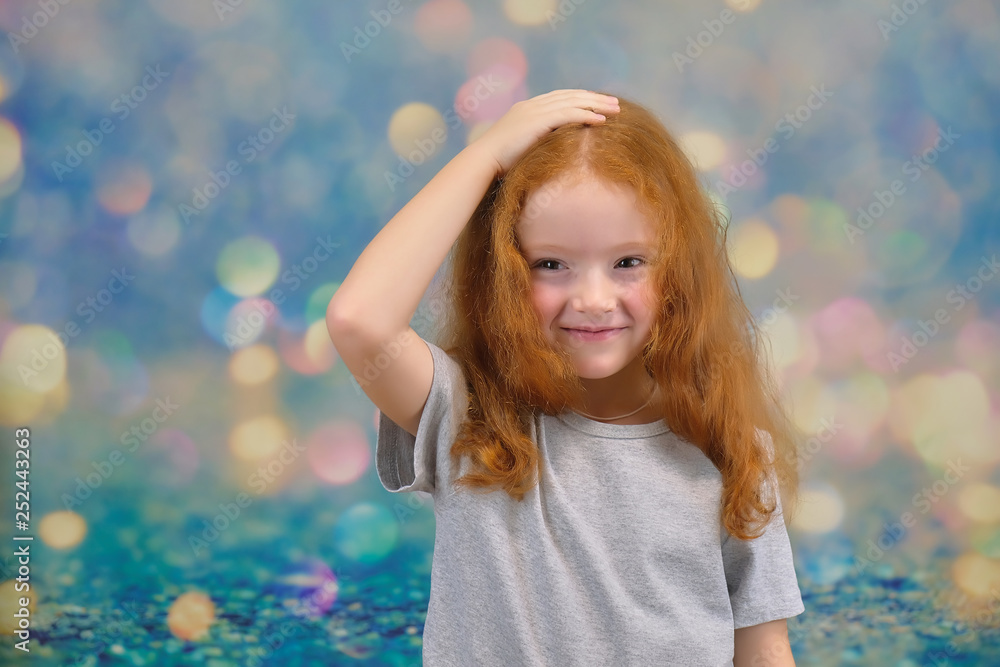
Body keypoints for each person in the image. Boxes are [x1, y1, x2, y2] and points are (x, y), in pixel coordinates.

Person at [327, 89, 805, 666]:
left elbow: (762, 649)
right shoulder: (468, 416)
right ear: (504, 271)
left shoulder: (731, 450)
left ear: (677, 270)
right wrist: (488, 157)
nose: (594, 299)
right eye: (550, 264)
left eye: (628, 262)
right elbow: (359, 321)